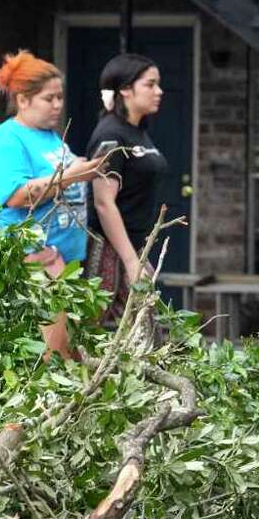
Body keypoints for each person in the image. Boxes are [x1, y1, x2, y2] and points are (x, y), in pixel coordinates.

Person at [0, 49, 110, 361]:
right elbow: (16, 195)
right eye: (48, 98)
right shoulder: (7, 139)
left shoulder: (51, 138)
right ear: (23, 100)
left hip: (64, 262)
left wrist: (83, 167)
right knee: (54, 358)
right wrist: (71, 175)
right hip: (36, 262)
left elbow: (60, 175)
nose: (57, 105)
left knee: (73, 351)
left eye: (60, 97)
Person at [85, 54, 171, 326]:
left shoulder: (137, 132)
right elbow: (103, 203)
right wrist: (131, 262)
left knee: (144, 329)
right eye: (150, 84)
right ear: (125, 89)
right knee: (92, 330)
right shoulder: (111, 134)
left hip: (135, 246)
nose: (159, 91)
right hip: (109, 252)